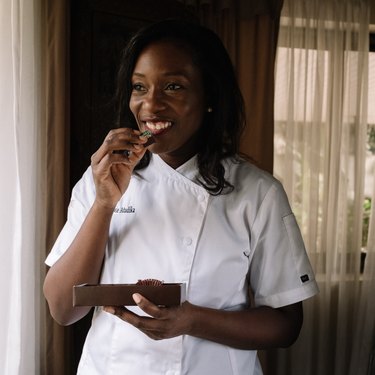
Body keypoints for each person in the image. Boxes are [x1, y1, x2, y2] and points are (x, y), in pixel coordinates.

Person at [43, 19, 319, 375]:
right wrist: (103, 203)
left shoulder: (257, 193)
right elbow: (63, 309)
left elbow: (286, 325)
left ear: (209, 98)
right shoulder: (99, 181)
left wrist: (191, 321)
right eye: (139, 87)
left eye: (173, 86)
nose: (151, 105)